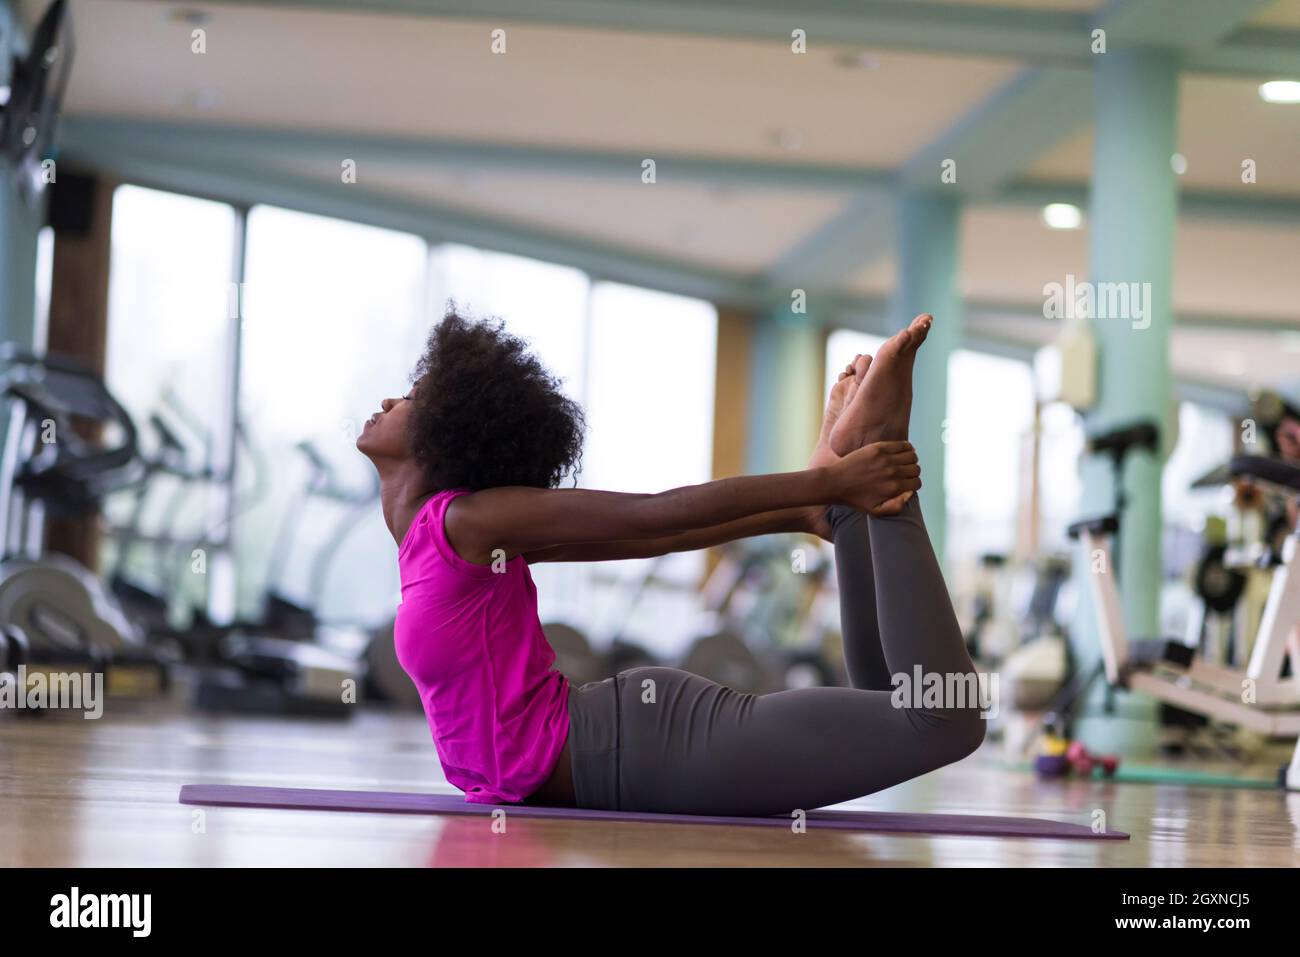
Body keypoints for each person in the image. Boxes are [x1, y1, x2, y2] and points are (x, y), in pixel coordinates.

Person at [356, 307, 985, 816]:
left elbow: (654, 514)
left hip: (640, 748)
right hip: (623, 751)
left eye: (411, 396)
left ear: (445, 429)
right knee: (891, 705)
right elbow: (647, 542)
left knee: (945, 717)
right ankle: (853, 499)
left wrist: (820, 484)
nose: (388, 401)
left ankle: (881, 462)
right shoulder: (437, 544)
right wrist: (811, 505)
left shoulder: (467, 521)